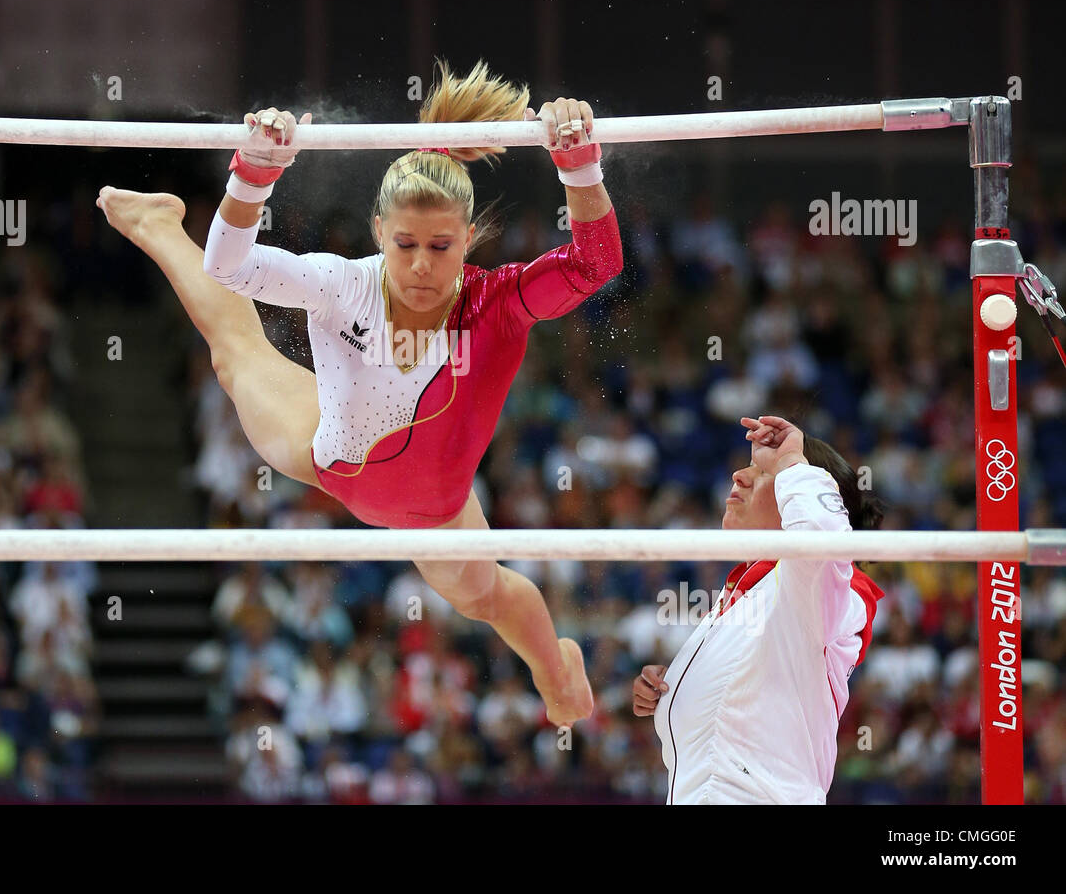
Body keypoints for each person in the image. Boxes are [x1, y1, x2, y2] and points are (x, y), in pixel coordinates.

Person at [97, 59, 623, 726]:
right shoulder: (342, 283)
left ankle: (561, 678)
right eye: (404, 244)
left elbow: (596, 262)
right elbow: (228, 263)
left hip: (433, 512)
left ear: (469, 237)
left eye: (440, 245)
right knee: (235, 357)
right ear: (379, 232)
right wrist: (254, 172)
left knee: (486, 596)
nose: (422, 265)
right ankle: (156, 224)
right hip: (332, 457)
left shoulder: (500, 302)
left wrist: (579, 164)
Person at [633, 415, 886, 803]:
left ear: (798, 491)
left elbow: (820, 537)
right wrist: (673, 689)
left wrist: (789, 462)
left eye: (762, 472)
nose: (738, 476)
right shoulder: (744, 595)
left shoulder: (827, 587)